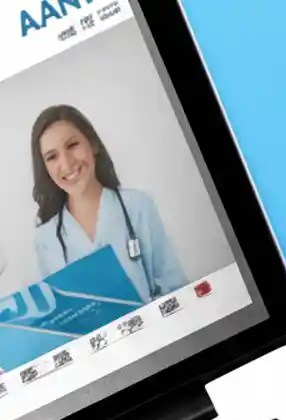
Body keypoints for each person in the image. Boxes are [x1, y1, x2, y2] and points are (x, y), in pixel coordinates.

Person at [30, 105, 185, 301]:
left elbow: (176, 288)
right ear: (45, 168)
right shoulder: (46, 240)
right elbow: (59, 320)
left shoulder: (138, 206)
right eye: (52, 157)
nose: (67, 163)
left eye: (72, 145)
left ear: (93, 144)